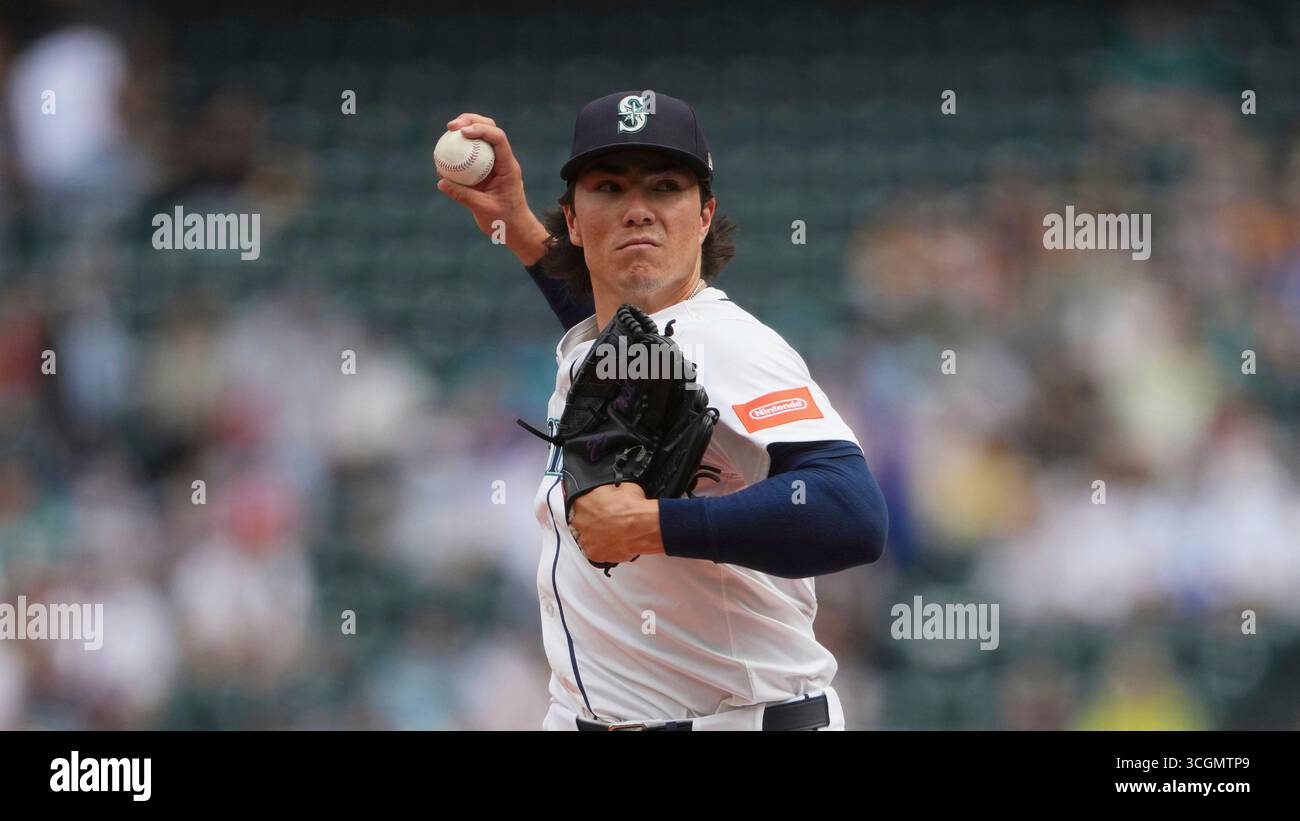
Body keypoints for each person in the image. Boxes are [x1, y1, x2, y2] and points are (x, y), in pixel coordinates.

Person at [437, 91, 888, 731]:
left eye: (666, 186)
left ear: (704, 215)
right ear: (572, 217)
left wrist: (654, 524)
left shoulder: (724, 341)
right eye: (609, 189)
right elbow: (618, 347)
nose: (638, 210)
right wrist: (521, 228)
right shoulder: (631, 341)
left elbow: (852, 513)